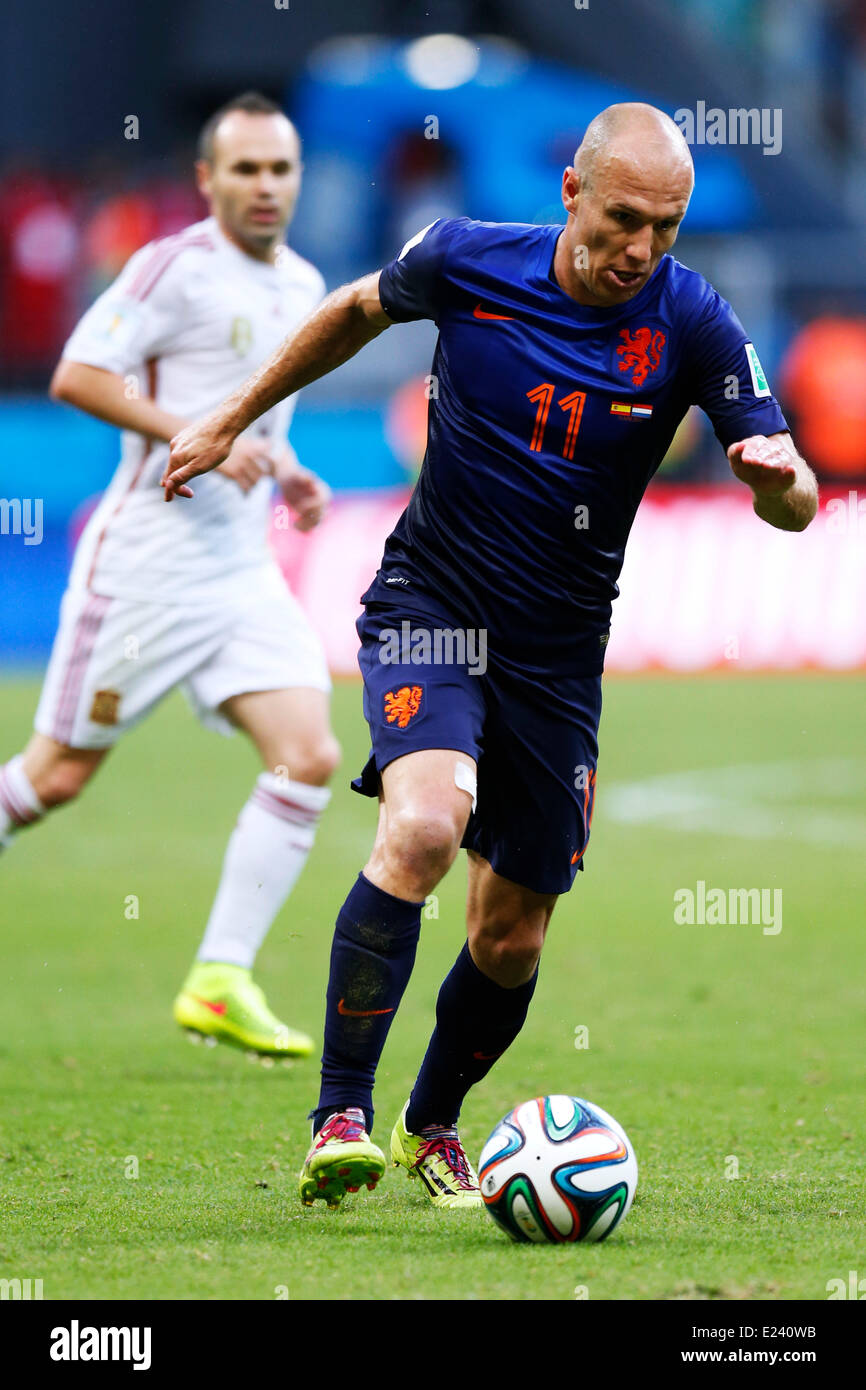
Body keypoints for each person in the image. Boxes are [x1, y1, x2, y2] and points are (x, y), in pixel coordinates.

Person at [162, 103, 818, 1208]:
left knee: (508, 938)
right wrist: (234, 417)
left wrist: (774, 483)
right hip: (432, 601)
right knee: (422, 823)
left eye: (663, 228)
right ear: (570, 192)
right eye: (620, 220)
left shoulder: (694, 320)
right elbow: (354, 310)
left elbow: (794, 494)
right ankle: (339, 1116)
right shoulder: (466, 259)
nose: (638, 250)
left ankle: (434, 1126)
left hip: (557, 656)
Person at [0, 92, 339, 1059]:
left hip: (238, 568)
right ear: (207, 179)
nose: (264, 186)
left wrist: (286, 467)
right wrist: (197, 434)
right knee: (58, 775)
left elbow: (259, 422)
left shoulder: (302, 284)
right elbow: (77, 374)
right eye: (244, 169)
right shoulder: (172, 269)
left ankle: (220, 977)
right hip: (145, 564)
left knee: (307, 754)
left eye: (279, 169)